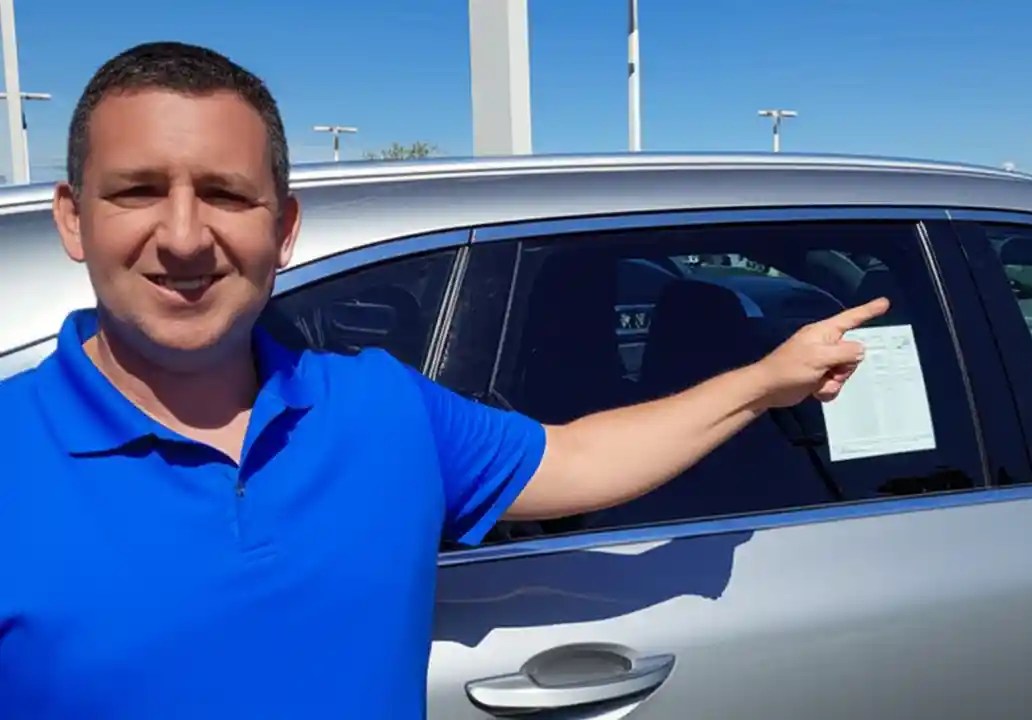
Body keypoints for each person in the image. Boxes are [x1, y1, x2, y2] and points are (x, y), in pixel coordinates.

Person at [0, 41, 889, 719]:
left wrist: (766, 381)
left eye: (227, 195)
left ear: (285, 226)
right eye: (139, 191)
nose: (187, 236)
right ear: (74, 220)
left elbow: (574, 460)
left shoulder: (381, 409)